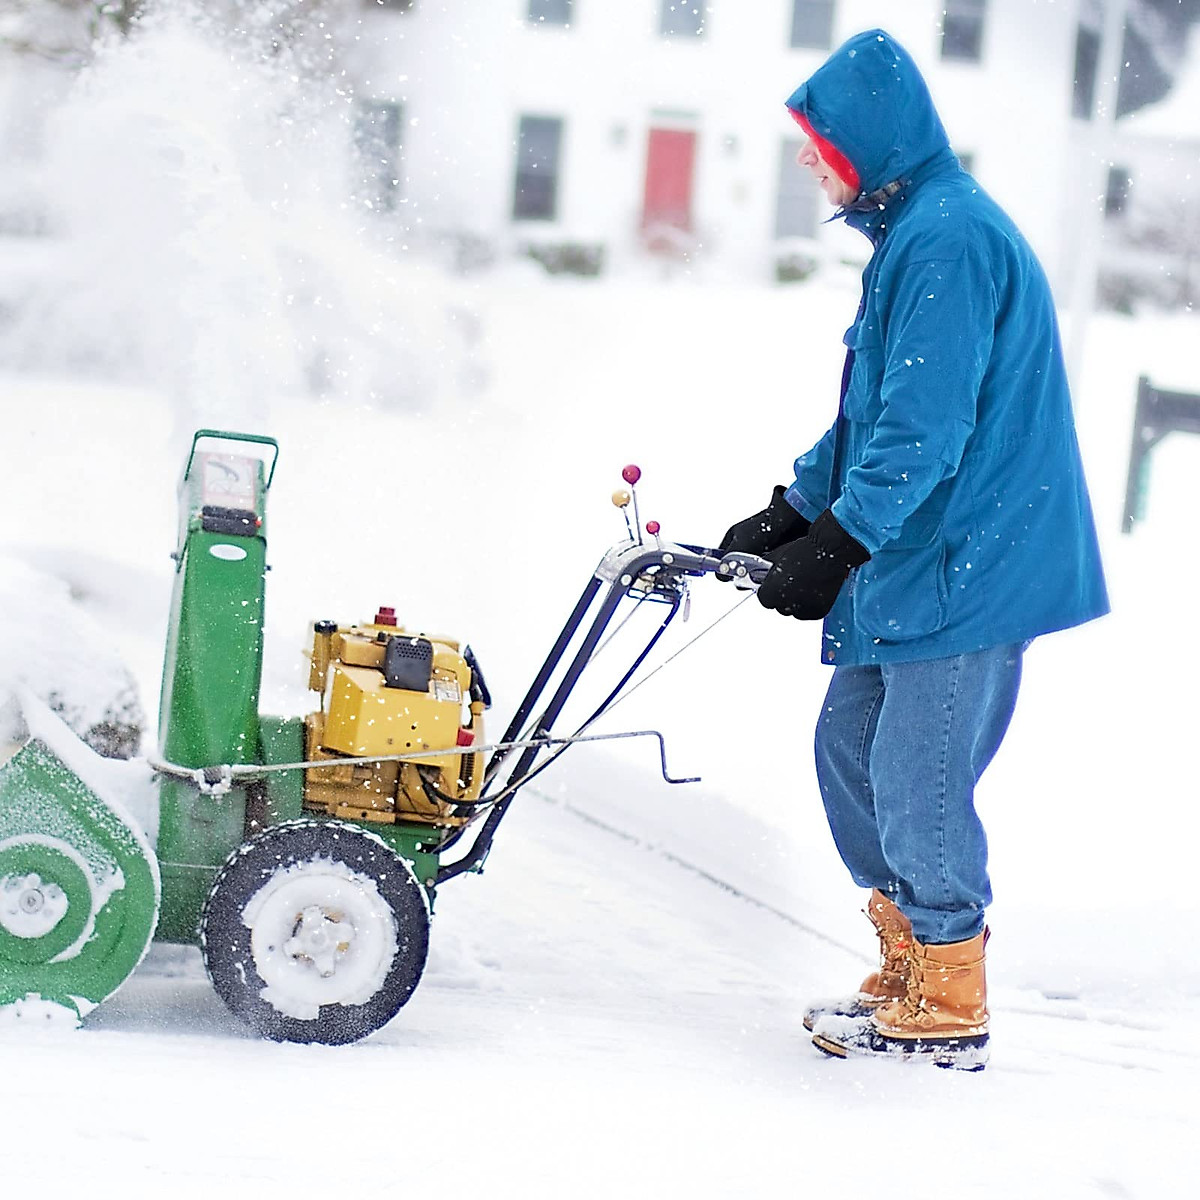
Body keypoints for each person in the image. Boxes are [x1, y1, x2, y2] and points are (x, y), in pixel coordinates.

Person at [718, 29, 1108, 1069]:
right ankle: (907, 961)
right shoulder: (914, 235)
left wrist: (839, 543)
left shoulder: (948, 240)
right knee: (850, 751)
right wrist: (794, 507)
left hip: (976, 556)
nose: (808, 158)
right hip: (926, 544)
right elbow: (877, 409)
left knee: (917, 773)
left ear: (871, 140)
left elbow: (922, 432)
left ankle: (948, 996)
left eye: (820, 139)